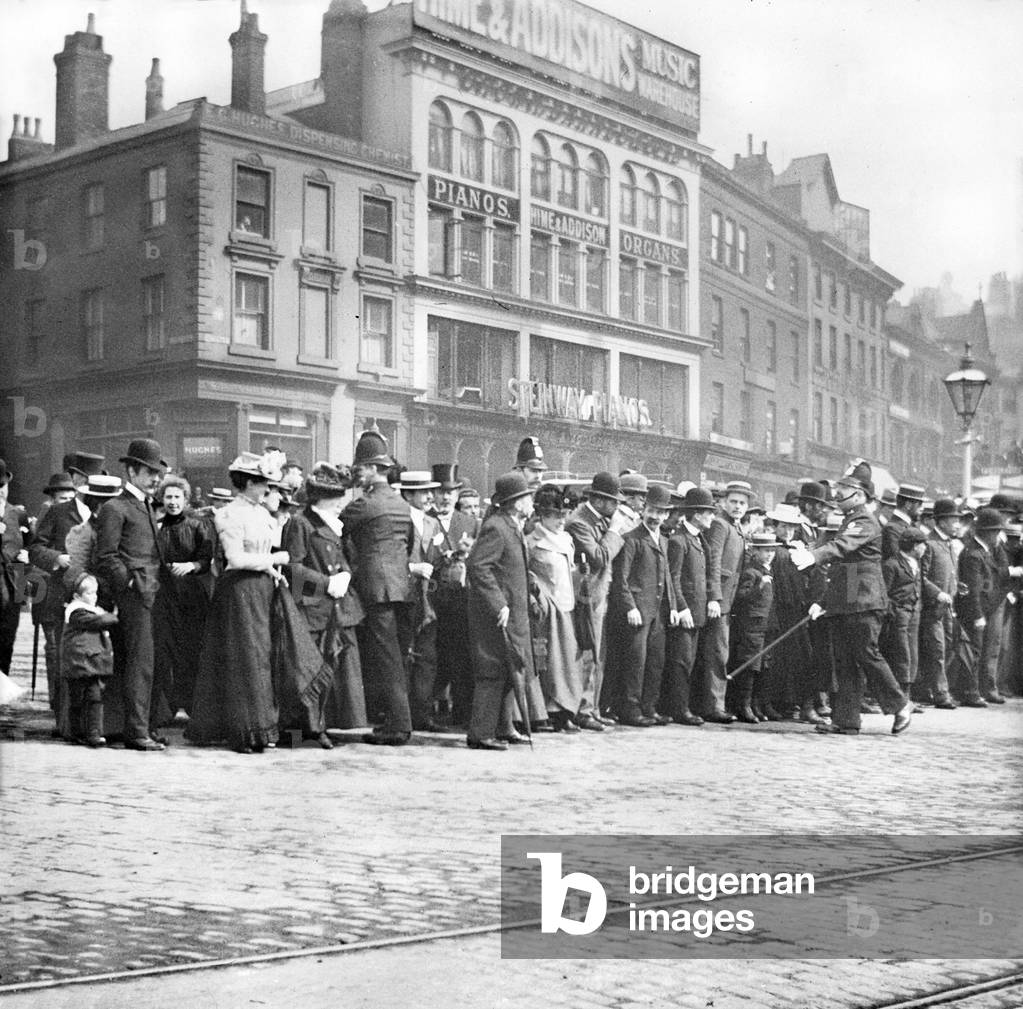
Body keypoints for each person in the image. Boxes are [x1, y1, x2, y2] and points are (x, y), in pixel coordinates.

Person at [188, 452, 330, 753]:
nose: (268, 488)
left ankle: (264, 727)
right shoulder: (228, 515)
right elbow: (235, 558)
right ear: (248, 483)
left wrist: (273, 573)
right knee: (246, 659)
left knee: (264, 656)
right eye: (263, 483)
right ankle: (244, 731)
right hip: (239, 592)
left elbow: (258, 555)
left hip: (262, 589)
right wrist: (274, 560)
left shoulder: (263, 514)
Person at [790, 461, 913, 737]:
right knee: (845, 660)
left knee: (867, 654)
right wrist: (824, 601)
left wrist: (813, 555)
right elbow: (844, 571)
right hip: (851, 600)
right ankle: (846, 720)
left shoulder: (864, 521)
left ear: (858, 495)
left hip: (864, 601)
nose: (836, 496)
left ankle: (900, 705)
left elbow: (841, 547)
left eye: (843, 491)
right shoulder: (852, 519)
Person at [95, 439, 169, 752]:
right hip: (136, 596)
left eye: (158, 473)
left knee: (148, 661)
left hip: (152, 594)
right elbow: (106, 556)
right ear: (131, 471)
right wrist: (129, 584)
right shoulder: (115, 508)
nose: (156, 479)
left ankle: (142, 727)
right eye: (150, 472)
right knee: (139, 663)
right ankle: (137, 732)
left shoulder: (146, 506)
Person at [342, 431, 415, 746]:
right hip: (402, 588)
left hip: (375, 589)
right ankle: (395, 719)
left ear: (374, 468)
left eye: (361, 468)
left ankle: (398, 726)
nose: (358, 473)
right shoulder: (401, 504)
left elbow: (335, 530)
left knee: (386, 659)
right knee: (395, 655)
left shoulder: (365, 504)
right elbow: (408, 544)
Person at [284, 464, 366, 741]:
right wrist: (326, 583)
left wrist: (345, 575)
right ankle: (310, 729)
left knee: (335, 666)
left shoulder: (334, 524)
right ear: (319, 497)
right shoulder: (301, 523)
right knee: (313, 667)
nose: (340, 502)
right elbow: (293, 568)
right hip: (313, 606)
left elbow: (346, 558)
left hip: (337, 606)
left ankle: (326, 725)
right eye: (335, 497)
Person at [466, 471, 538, 750]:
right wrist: (498, 603)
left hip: (514, 612)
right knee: (492, 670)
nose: (531, 501)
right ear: (516, 502)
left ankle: (504, 727)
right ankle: (481, 734)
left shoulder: (512, 525)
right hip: (495, 615)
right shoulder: (497, 527)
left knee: (511, 667)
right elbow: (478, 567)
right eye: (528, 497)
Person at [607, 482, 678, 727]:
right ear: (644, 509)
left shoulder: (664, 541)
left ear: (667, 515)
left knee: (655, 662)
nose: (655, 516)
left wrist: (674, 607)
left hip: (658, 613)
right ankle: (631, 709)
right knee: (635, 662)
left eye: (660, 512)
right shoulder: (631, 539)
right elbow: (621, 579)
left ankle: (650, 707)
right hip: (638, 611)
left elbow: (667, 577)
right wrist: (630, 607)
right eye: (651, 510)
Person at [565, 472, 627, 731]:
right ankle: (583, 709)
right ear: (599, 501)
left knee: (599, 654)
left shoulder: (597, 519)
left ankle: (594, 708)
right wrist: (613, 531)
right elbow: (599, 558)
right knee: (588, 654)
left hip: (599, 596)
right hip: (587, 597)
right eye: (614, 501)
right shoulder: (579, 522)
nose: (617, 507)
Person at [152, 475, 214, 719]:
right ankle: (166, 708)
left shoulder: (198, 526)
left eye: (177, 497)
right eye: (168, 497)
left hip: (191, 597)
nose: (173, 502)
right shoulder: (157, 526)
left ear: (185, 499)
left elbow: (206, 559)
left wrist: (191, 566)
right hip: (164, 595)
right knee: (165, 651)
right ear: (162, 499)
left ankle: (190, 704)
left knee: (190, 650)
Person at [27, 471, 83, 724]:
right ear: (52, 499)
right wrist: (27, 595)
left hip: (74, 589)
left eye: (70, 497)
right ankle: (56, 701)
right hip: (47, 591)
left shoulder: (81, 514)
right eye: (62, 498)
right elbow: (31, 553)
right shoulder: (47, 515)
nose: (67, 502)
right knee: (53, 647)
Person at [527, 485, 583, 732]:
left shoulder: (567, 540)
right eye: (554, 516)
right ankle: (547, 712)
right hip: (545, 612)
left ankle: (565, 709)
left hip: (567, 607)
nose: (561, 521)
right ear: (542, 516)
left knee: (567, 662)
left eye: (564, 515)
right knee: (547, 662)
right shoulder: (532, 542)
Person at [696, 480, 752, 723]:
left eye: (742, 503)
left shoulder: (736, 527)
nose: (738, 506)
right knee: (717, 652)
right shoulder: (720, 525)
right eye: (733, 502)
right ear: (723, 502)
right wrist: (714, 597)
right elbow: (713, 562)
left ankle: (715, 702)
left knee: (721, 651)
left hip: (730, 600)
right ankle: (713, 706)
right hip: (719, 600)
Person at [661, 486, 715, 726]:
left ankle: (684, 706)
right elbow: (673, 579)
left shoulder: (698, 539)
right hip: (686, 613)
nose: (711, 517)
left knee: (690, 661)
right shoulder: (679, 540)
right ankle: (679, 709)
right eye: (708, 512)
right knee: (681, 662)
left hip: (697, 612)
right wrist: (682, 608)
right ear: (697, 514)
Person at [430, 464, 478, 728]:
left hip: (460, 601)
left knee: (461, 656)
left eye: (450, 492)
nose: (445, 497)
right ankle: (428, 710)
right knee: (432, 656)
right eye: (440, 491)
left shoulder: (468, 523)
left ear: (458, 494)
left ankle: (462, 712)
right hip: (432, 599)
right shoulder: (425, 519)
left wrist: (467, 554)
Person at [396, 470, 445, 732]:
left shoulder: (432, 523)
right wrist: (411, 568)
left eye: (430, 491)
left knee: (427, 657)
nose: (429, 497)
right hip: (402, 596)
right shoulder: (396, 519)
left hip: (428, 600)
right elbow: (386, 557)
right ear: (407, 495)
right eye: (423, 492)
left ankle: (422, 715)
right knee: (403, 655)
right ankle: (400, 715)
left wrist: (451, 556)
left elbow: (437, 558)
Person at [957, 508, 1015, 705]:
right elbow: (973, 589)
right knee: (973, 651)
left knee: (979, 650)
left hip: (985, 607)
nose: (998, 536)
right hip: (977, 609)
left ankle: (974, 691)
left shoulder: (982, 551)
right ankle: (970, 692)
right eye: (996, 532)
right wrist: (978, 615)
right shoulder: (974, 554)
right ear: (988, 532)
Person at [62, 573, 118, 748]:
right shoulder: (77, 611)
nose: (93, 597)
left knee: (92, 698)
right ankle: (82, 733)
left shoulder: (89, 610)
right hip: (80, 663)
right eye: (89, 593)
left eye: (95, 593)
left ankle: (90, 733)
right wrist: (114, 616)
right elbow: (97, 621)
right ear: (77, 596)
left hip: (87, 664)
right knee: (81, 699)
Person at [727, 532, 778, 723]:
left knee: (762, 666)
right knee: (750, 665)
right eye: (765, 551)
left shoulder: (768, 570)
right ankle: (744, 706)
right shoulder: (751, 572)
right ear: (755, 551)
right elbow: (741, 597)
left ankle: (756, 705)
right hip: (752, 625)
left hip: (765, 625)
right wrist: (759, 586)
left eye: (772, 550)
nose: (769, 554)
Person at [882, 526, 935, 704]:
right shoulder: (892, 564)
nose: (925, 548)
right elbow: (884, 593)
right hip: (899, 615)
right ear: (914, 546)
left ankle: (907, 696)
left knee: (912, 654)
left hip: (914, 612)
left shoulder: (915, 563)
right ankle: (901, 698)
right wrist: (894, 612)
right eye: (922, 544)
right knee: (902, 654)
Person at [918, 498, 961, 709]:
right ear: (942, 521)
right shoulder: (929, 544)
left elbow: (949, 573)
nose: (957, 524)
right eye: (954, 520)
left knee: (950, 646)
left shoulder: (949, 544)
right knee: (937, 650)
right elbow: (920, 576)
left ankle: (929, 688)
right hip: (932, 608)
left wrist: (957, 586)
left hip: (948, 608)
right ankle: (941, 694)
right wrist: (937, 593)